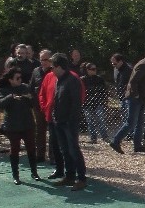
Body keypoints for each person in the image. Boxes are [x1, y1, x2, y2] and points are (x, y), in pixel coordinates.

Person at [110, 48, 145, 154]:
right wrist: (136, 95)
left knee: (139, 123)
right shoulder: (143, 65)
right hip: (135, 98)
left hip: (141, 98)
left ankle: (137, 145)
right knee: (131, 123)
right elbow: (133, 81)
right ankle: (115, 141)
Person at [50, 52, 87, 190]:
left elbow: (76, 103)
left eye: (53, 67)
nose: (51, 70)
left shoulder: (72, 80)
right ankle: (69, 175)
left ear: (59, 67)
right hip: (59, 121)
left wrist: (71, 121)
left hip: (69, 122)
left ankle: (81, 178)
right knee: (64, 150)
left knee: (73, 150)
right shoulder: (59, 80)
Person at [0, 68, 39, 184]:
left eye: (21, 78)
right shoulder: (4, 90)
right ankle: (16, 175)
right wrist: (11, 97)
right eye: (17, 78)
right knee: (15, 149)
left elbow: (34, 103)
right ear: (10, 80)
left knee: (31, 148)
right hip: (13, 125)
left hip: (27, 123)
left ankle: (34, 172)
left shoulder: (25, 88)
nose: (20, 80)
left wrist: (29, 98)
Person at [30, 50, 53, 163]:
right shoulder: (36, 71)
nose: (43, 62)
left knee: (53, 131)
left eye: (46, 59)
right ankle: (40, 155)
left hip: (51, 107)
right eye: (41, 59)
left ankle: (53, 156)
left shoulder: (54, 72)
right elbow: (31, 87)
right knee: (40, 131)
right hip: (38, 106)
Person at [80, 63, 109, 144]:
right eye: (92, 69)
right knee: (90, 121)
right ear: (87, 70)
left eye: (95, 69)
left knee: (101, 120)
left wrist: (104, 100)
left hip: (98, 102)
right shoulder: (82, 80)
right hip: (87, 103)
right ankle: (93, 138)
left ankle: (105, 136)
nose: (95, 71)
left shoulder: (99, 79)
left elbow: (104, 91)